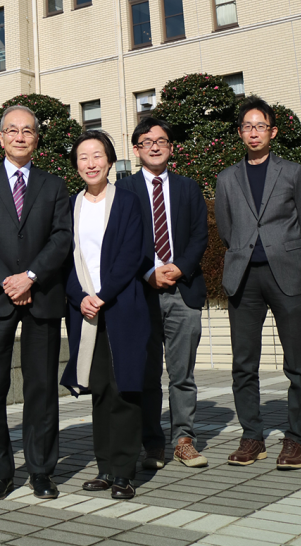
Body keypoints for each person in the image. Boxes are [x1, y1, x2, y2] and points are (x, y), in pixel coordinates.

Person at [0, 104, 71, 501]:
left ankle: (41, 470)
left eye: (28, 130)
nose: (20, 136)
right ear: (1, 137)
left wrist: (30, 277)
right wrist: (6, 281)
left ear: (37, 138)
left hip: (41, 294)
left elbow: (62, 237)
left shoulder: (54, 184)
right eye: (13, 130)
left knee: (41, 386)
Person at [214, 96, 301, 470]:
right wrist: (245, 251)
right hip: (244, 277)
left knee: (297, 363)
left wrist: (291, 256)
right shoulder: (226, 178)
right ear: (240, 132)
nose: (254, 132)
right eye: (247, 126)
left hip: (285, 275)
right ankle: (252, 437)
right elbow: (227, 229)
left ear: (272, 132)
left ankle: (297, 439)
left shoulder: (292, 172)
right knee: (243, 363)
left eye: (261, 126)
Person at [61, 131, 149, 500]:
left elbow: (133, 255)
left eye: (98, 155)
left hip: (121, 306)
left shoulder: (128, 202)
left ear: (111, 162)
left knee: (124, 388)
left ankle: (126, 471)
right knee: (99, 389)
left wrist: (101, 295)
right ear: (76, 165)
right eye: (83, 157)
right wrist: (81, 297)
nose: (91, 163)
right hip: (85, 311)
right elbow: (61, 258)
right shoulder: (69, 206)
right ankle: (105, 467)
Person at [128, 116, 209, 469]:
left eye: (161, 140)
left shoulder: (188, 188)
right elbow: (123, 241)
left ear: (171, 148)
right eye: (147, 141)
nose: (155, 146)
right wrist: (148, 272)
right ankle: (153, 443)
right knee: (146, 374)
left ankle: (184, 438)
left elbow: (199, 236)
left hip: (184, 290)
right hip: (142, 294)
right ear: (137, 149)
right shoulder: (124, 192)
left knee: (182, 374)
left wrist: (179, 267)